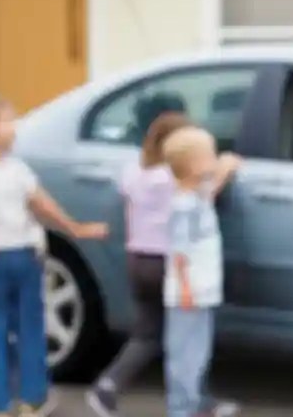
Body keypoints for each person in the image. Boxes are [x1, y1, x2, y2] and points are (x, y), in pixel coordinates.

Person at [0, 96, 109, 417]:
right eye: (8, 121)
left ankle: (29, 399)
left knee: (26, 328)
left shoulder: (17, 167)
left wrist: (73, 227)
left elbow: (41, 202)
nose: (15, 128)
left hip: (27, 257)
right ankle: (3, 403)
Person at [86, 111, 194, 417]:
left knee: (146, 333)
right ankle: (191, 398)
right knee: (186, 331)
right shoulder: (171, 178)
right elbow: (202, 193)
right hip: (167, 262)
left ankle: (108, 385)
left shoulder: (134, 171)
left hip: (138, 259)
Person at [160, 126, 241, 417]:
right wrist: (185, 290)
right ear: (194, 166)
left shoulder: (196, 195)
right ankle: (181, 409)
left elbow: (212, 188)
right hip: (188, 295)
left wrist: (226, 168)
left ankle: (199, 403)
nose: (215, 158)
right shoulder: (183, 205)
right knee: (185, 355)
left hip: (201, 291)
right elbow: (179, 254)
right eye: (211, 155)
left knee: (199, 351)